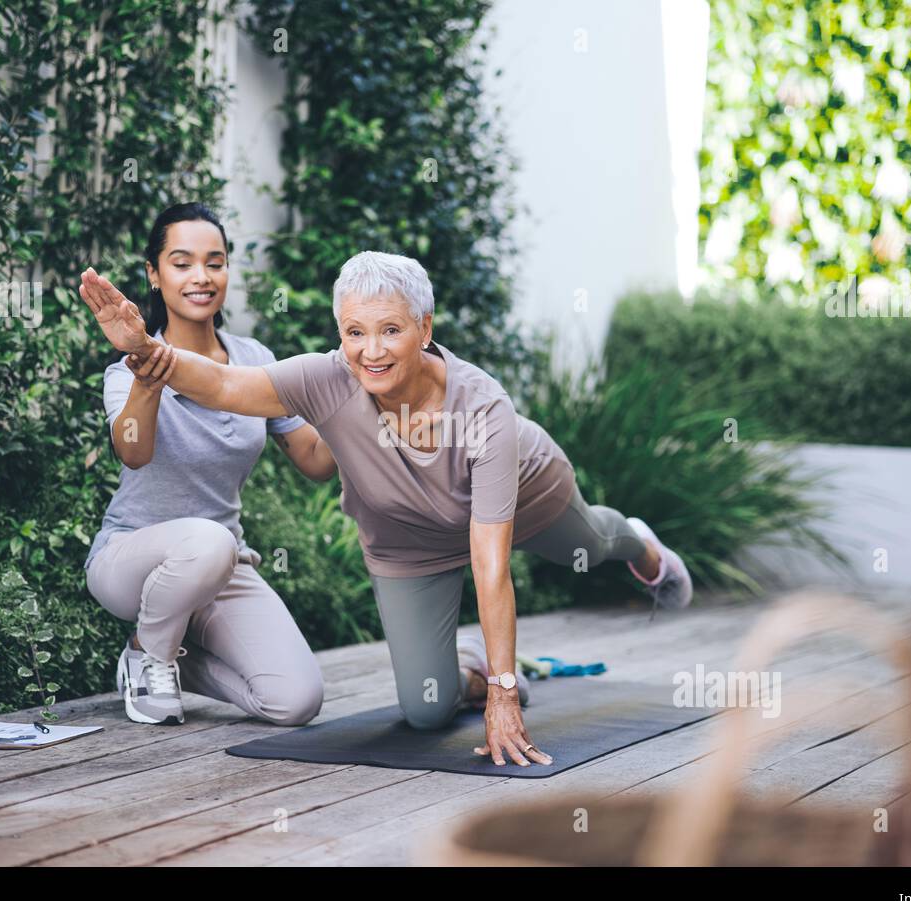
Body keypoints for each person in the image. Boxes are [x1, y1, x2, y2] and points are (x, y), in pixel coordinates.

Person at [78, 250, 693, 766]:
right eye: (354, 332)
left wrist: (506, 695)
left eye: (390, 330)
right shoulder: (327, 378)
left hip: (525, 498)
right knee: (427, 710)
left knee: (586, 544)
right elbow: (220, 385)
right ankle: (471, 666)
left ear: (425, 328)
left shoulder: (483, 410)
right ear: (339, 331)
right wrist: (142, 350)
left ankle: (637, 540)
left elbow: (489, 565)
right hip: (409, 540)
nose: (371, 350)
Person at [82, 203, 335, 728]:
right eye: (181, 262)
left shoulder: (254, 360)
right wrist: (147, 373)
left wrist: (365, 403)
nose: (201, 276)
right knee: (209, 539)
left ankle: (176, 661)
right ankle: (144, 653)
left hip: (224, 566)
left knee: (296, 701)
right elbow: (133, 451)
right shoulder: (125, 369)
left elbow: (315, 459)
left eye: (214, 262)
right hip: (131, 560)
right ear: (154, 274)